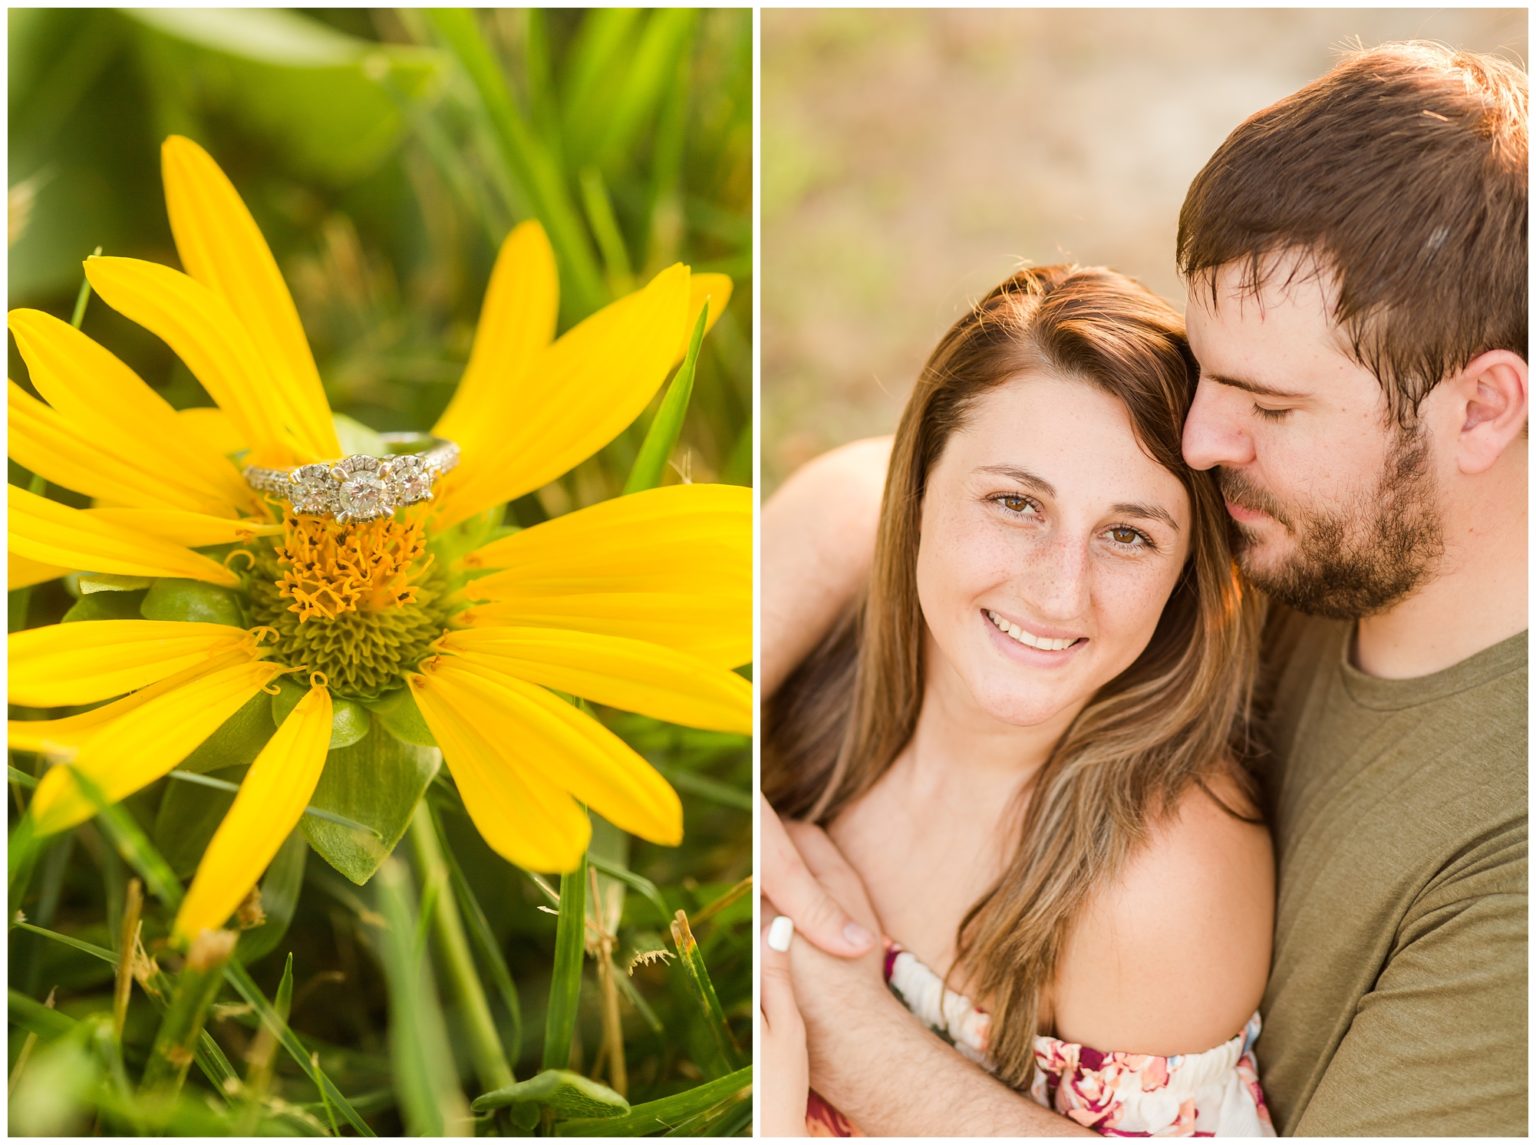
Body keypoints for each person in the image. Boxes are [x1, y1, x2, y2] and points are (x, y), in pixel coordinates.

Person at [760, 41, 1527, 1137]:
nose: (1201, 441)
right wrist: (726, 701)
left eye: (1271, 405)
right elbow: (888, 487)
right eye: (1211, 375)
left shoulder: (1509, 855)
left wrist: (820, 997)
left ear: (1483, 409)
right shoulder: (1300, 528)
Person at [761, 263, 1276, 1136]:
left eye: (1127, 534)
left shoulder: (1153, 885)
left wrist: (839, 1029)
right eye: (1015, 503)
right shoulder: (840, 553)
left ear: (1186, 574)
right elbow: (659, 715)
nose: (1060, 593)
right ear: (916, 485)